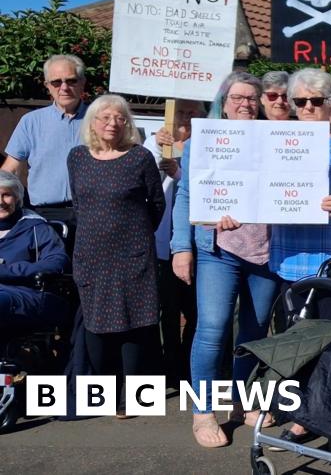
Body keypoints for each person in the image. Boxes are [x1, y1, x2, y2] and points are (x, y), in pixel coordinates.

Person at [171, 73, 280, 448]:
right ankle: (203, 412)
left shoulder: (275, 139)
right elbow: (186, 195)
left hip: (266, 250)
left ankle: (241, 400)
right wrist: (181, 247)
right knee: (213, 329)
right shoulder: (201, 142)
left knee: (254, 332)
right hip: (218, 250)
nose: (245, 104)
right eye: (238, 98)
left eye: (252, 98)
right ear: (224, 102)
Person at [269, 67, 331, 447]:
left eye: (316, 100)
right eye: (300, 101)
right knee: (295, 345)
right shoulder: (275, 140)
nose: (308, 107)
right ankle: (300, 411)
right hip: (289, 260)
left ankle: (322, 419)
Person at [67, 94, 166, 412]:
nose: (113, 123)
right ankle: (105, 390)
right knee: (96, 324)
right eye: (106, 117)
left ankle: (133, 395)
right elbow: (79, 204)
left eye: (120, 118)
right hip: (91, 256)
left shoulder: (139, 158)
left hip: (133, 254)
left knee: (136, 324)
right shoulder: (77, 157)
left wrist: (136, 235)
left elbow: (157, 203)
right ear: (93, 122)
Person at [2, 54, 91, 252]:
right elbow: (11, 170)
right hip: (45, 216)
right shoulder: (31, 122)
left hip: (92, 213)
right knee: (48, 268)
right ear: (47, 86)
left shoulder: (101, 120)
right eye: (56, 82)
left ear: (82, 83)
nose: (64, 87)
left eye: (71, 80)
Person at [149, 99, 205, 389]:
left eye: (191, 112)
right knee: (166, 310)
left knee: (195, 310)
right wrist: (158, 150)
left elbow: (204, 188)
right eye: (180, 111)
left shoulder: (209, 145)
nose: (184, 118)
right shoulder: (155, 145)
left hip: (196, 244)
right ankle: (169, 365)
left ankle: (188, 364)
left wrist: (179, 172)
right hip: (161, 244)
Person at [0, 170, 69, 332]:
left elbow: (57, 262)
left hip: (24, 293)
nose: (1, 202)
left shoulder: (36, 228)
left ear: (17, 198)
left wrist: (6, 271)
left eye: (6, 195)